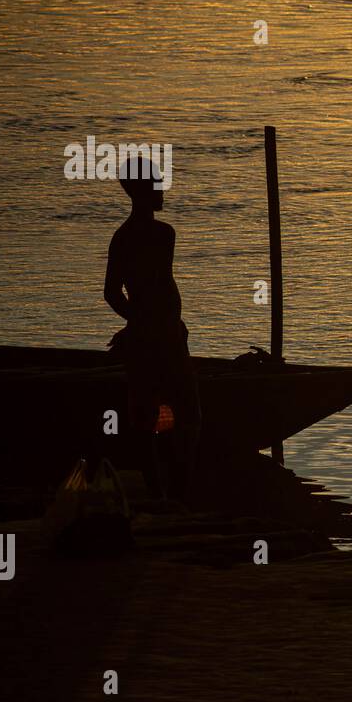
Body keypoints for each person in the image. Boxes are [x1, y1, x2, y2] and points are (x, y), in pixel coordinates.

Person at [103, 155, 200, 503]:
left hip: (163, 334)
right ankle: (167, 493)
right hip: (159, 338)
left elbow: (141, 291)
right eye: (155, 185)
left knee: (162, 415)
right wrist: (142, 323)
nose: (161, 191)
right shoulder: (144, 236)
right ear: (139, 190)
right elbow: (119, 292)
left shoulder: (145, 235)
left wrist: (140, 323)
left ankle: (168, 491)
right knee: (172, 414)